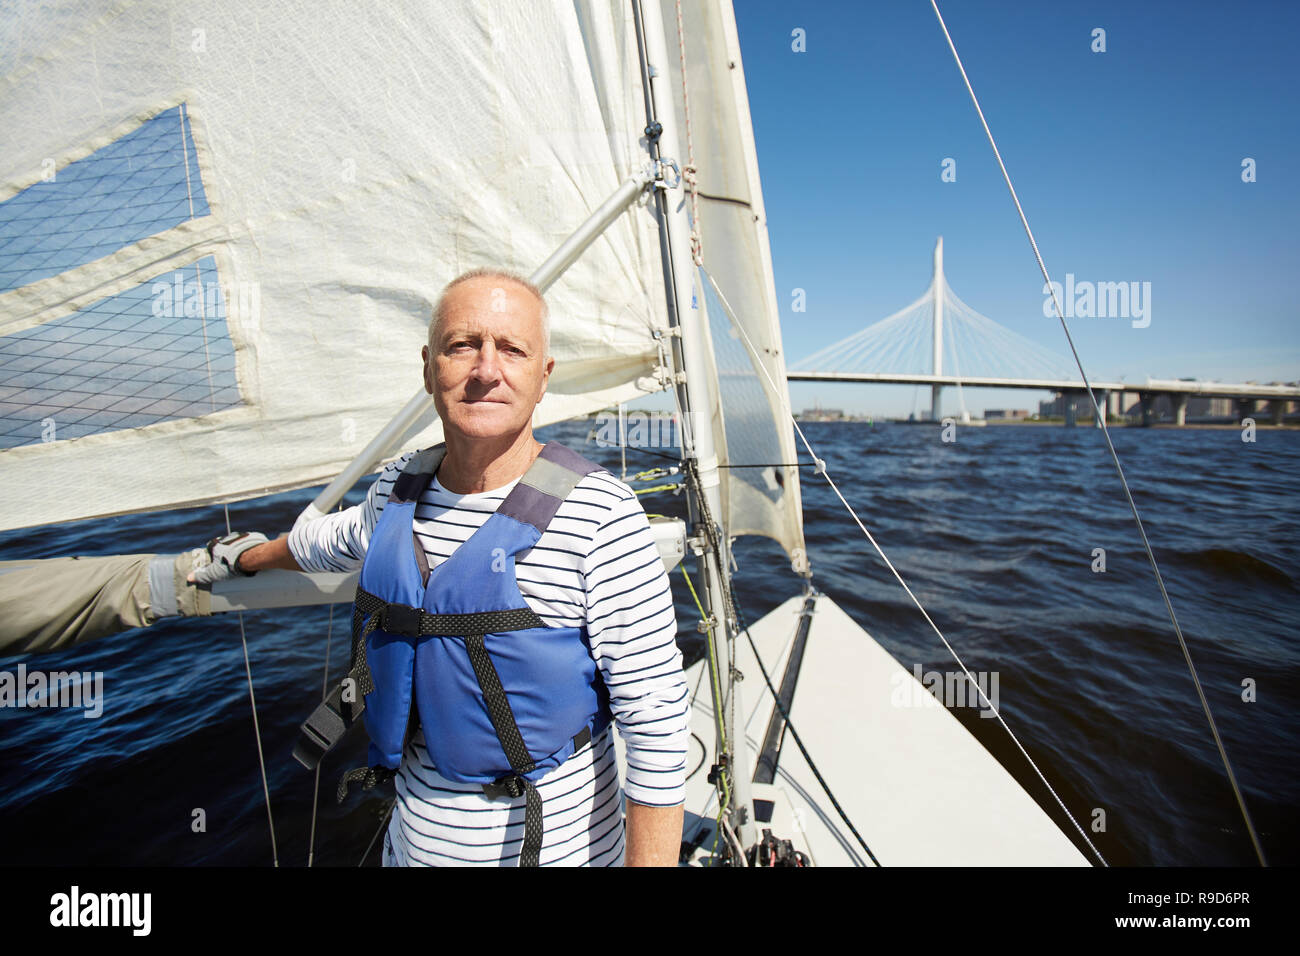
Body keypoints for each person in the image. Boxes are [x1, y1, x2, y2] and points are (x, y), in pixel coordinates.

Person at [190, 269, 688, 866]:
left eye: (511, 348)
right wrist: (243, 557)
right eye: (462, 346)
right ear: (429, 368)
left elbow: (657, 727)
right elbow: (329, 542)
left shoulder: (600, 516)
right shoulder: (398, 491)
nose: (485, 370)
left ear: (543, 376)